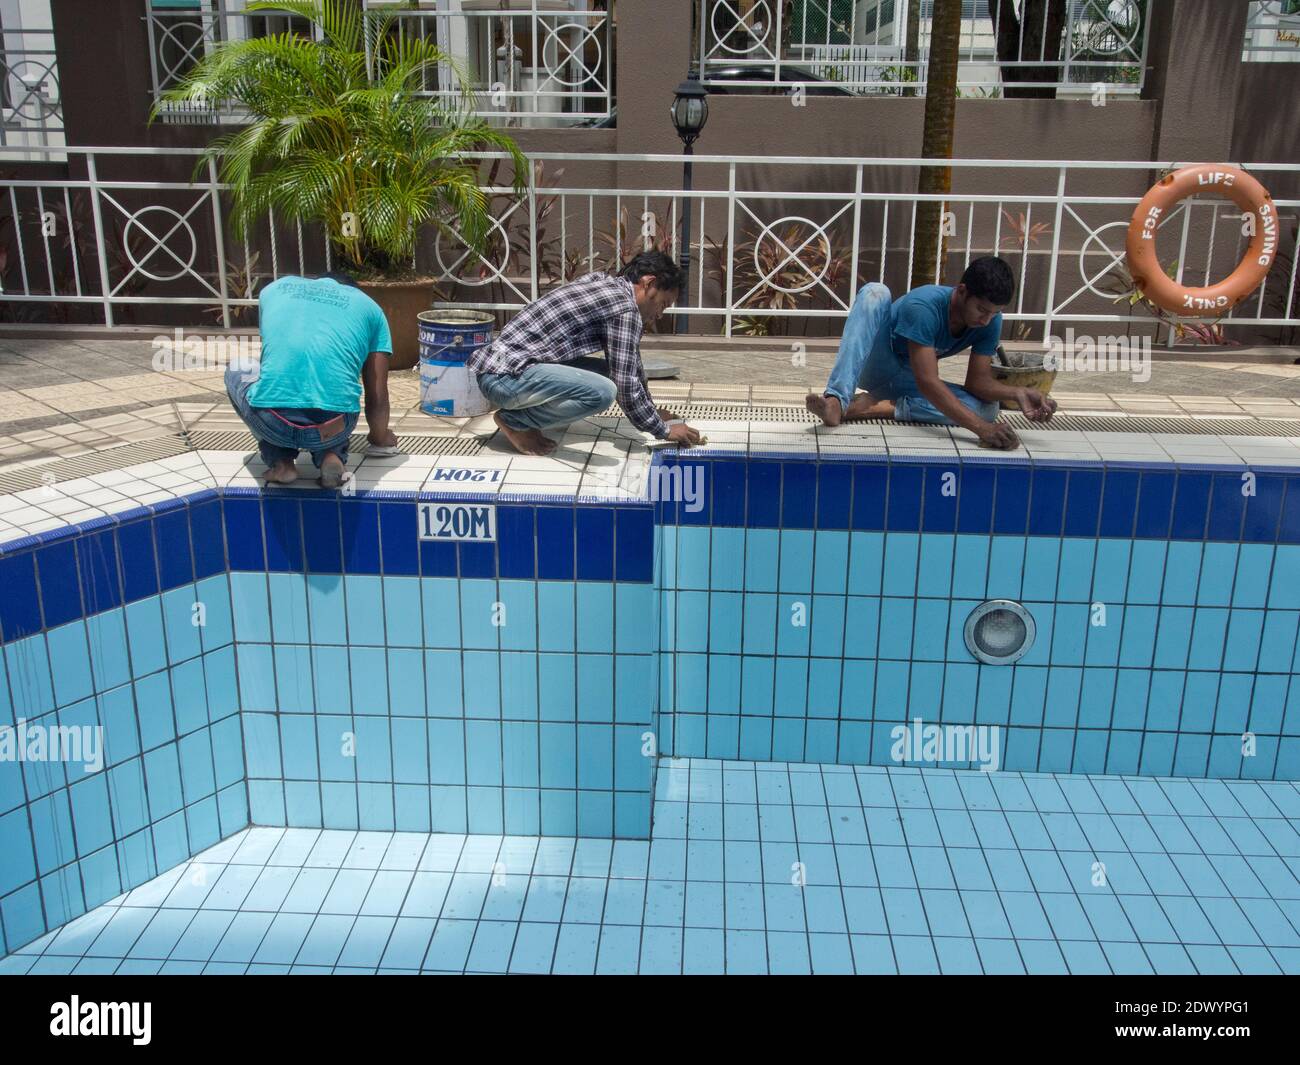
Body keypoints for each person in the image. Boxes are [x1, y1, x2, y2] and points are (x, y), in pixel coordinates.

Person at [806, 256, 1057, 449]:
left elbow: (977, 382)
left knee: (988, 409)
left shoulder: (991, 320)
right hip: (876, 362)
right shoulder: (924, 305)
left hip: (907, 378)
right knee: (876, 292)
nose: (986, 319)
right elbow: (928, 382)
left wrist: (1017, 393)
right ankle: (837, 399)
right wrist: (982, 430)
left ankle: (873, 406)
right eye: (981, 309)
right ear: (961, 291)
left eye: (994, 312)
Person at [468, 251, 702, 455]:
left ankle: (523, 413)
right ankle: (516, 421)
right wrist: (663, 431)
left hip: (506, 370)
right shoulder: (624, 308)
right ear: (648, 283)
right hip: (504, 378)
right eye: (663, 303)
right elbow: (625, 382)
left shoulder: (605, 283)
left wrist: (652, 413)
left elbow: (630, 367)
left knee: (611, 375)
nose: (660, 314)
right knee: (604, 391)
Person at [225, 271, 398, 487]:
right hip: (335, 425)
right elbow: (378, 395)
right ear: (352, 290)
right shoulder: (371, 308)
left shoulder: (275, 290)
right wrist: (380, 438)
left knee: (237, 368)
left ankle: (281, 462)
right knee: (332, 399)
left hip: (273, 421)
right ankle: (331, 455)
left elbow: (274, 359)